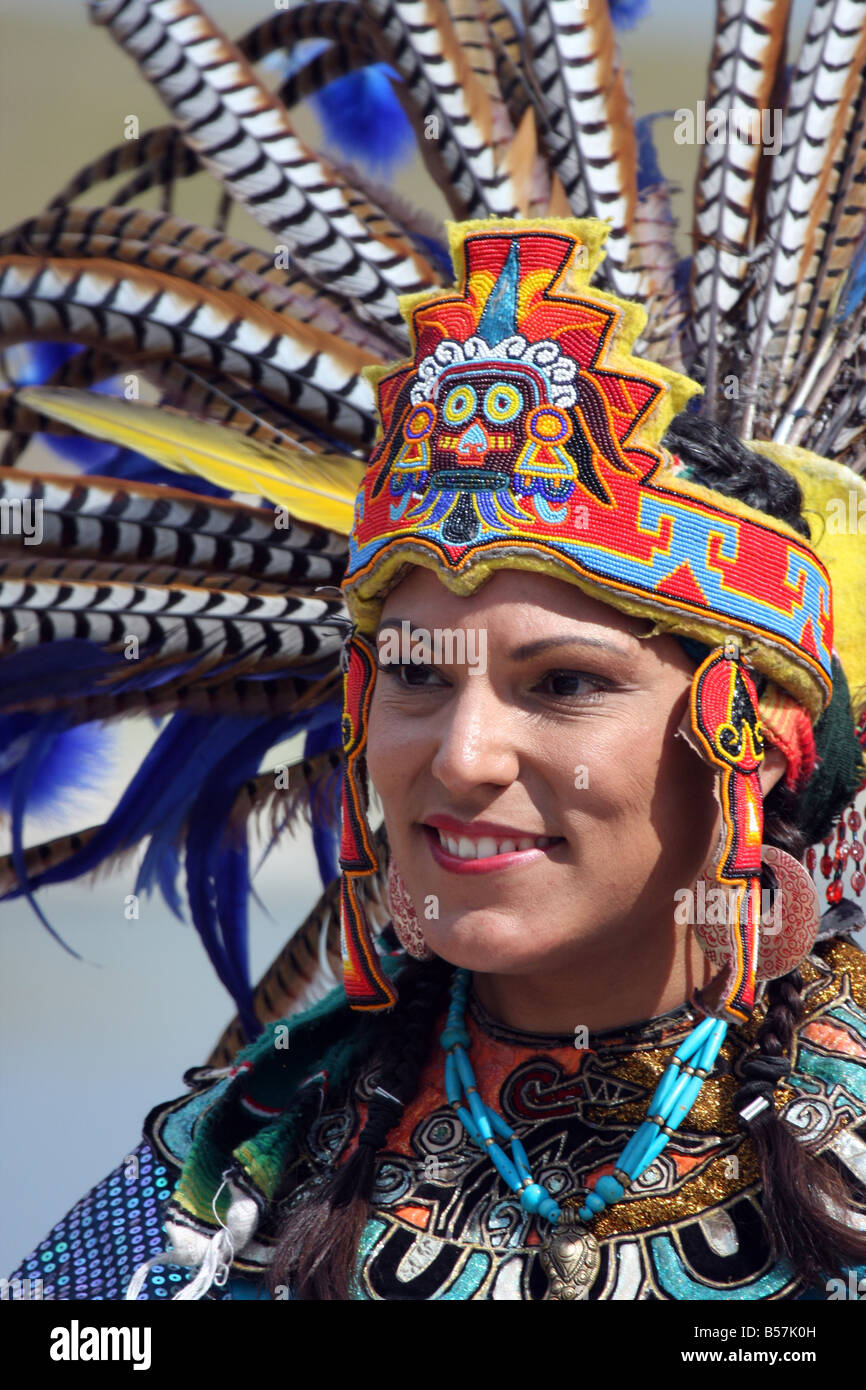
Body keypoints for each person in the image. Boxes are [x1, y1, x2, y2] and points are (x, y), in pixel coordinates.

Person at [3, 1, 866, 1304]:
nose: (458, 754)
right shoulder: (215, 1185)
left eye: (562, 683)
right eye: (413, 673)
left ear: (756, 739)